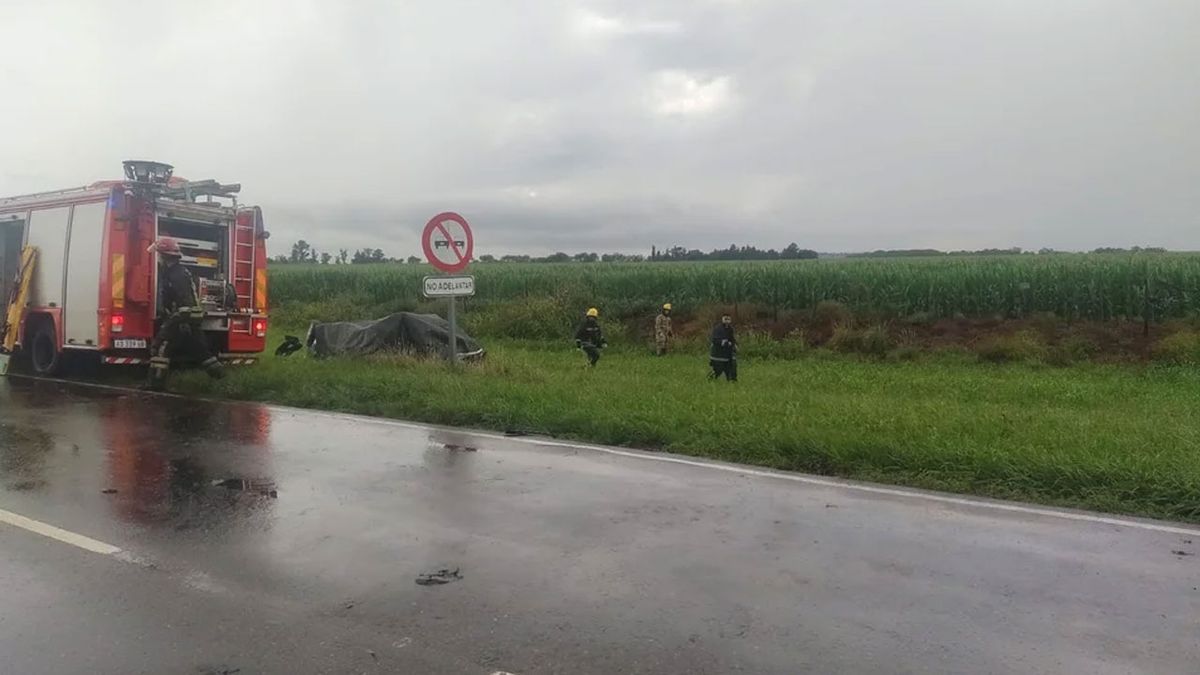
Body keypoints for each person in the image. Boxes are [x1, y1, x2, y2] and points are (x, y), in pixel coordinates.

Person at [147, 237, 224, 391]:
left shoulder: (176, 275)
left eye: (159, 255)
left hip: (182, 317)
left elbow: (184, 301)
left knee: (161, 347)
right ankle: (223, 379)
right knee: (202, 352)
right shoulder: (177, 271)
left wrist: (174, 320)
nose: (158, 258)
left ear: (164, 255)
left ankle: (155, 385)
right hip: (189, 317)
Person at [708, 314, 737, 381]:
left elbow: (732, 338)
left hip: (728, 354)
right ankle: (711, 379)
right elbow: (715, 340)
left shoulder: (730, 329)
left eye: (728, 319)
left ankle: (732, 381)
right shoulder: (717, 328)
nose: (727, 321)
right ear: (722, 319)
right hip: (718, 354)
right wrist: (723, 342)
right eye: (725, 319)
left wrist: (734, 344)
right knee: (718, 370)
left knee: (732, 367)